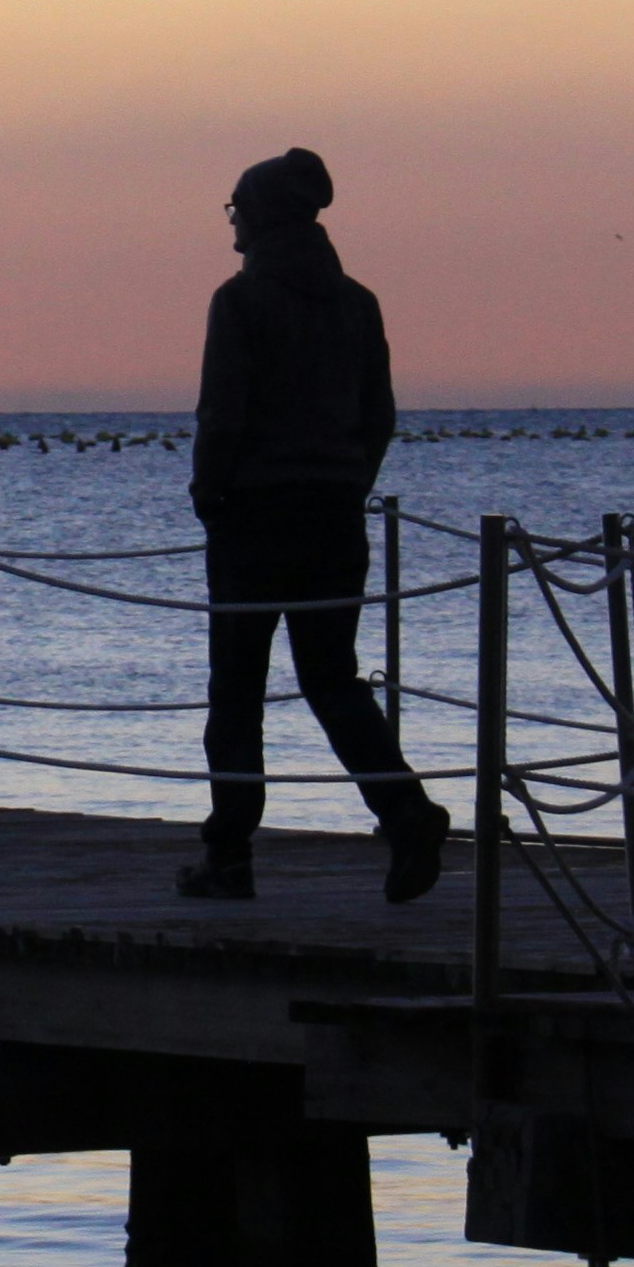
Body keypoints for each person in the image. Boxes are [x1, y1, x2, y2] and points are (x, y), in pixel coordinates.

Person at [184, 148, 446, 902]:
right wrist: (346, 482)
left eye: (235, 205)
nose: (230, 219)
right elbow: (380, 416)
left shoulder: (240, 302)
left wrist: (209, 490)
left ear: (263, 213)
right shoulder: (357, 304)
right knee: (332, 680)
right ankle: (405, 812)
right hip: (335, 513)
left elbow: (222, 413)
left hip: (255, 516)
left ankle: (228, 854)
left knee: (235, 687)